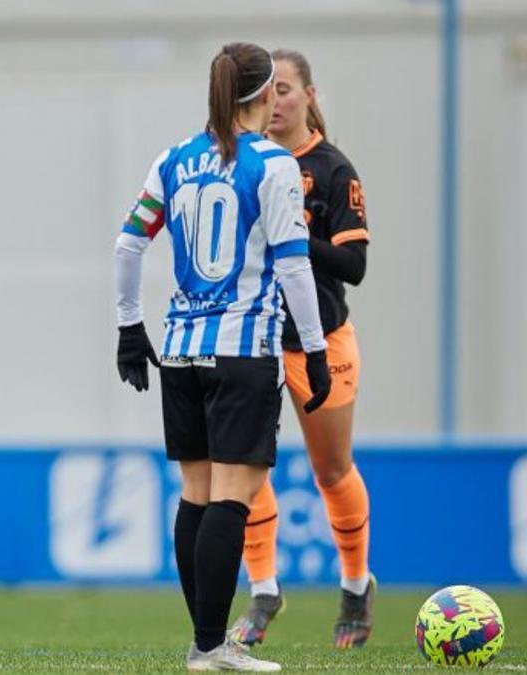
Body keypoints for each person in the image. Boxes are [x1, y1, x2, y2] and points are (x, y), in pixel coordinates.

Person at [115, 42, 332, 672]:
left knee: (196, 497)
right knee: (233, 499)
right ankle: (210, 646)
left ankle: (205, 641)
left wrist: (130, 328)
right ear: (266, 96)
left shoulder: (174, 158)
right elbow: (293, 266)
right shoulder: (274, 164)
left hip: (180, 352)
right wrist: (314, 350)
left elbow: (128, 246)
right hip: (243, 351)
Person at [229, 48, 375, 650]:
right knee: (245, 465)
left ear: (309, 95)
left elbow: (355, 265)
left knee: (330, 468)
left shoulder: (333, 169)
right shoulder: (243, 163)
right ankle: (264, 589)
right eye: (269, 90)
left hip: (322, 340)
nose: (276, 100)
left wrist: (293, 238)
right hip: (254, 338)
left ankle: (355, 584)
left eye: (286, 88)